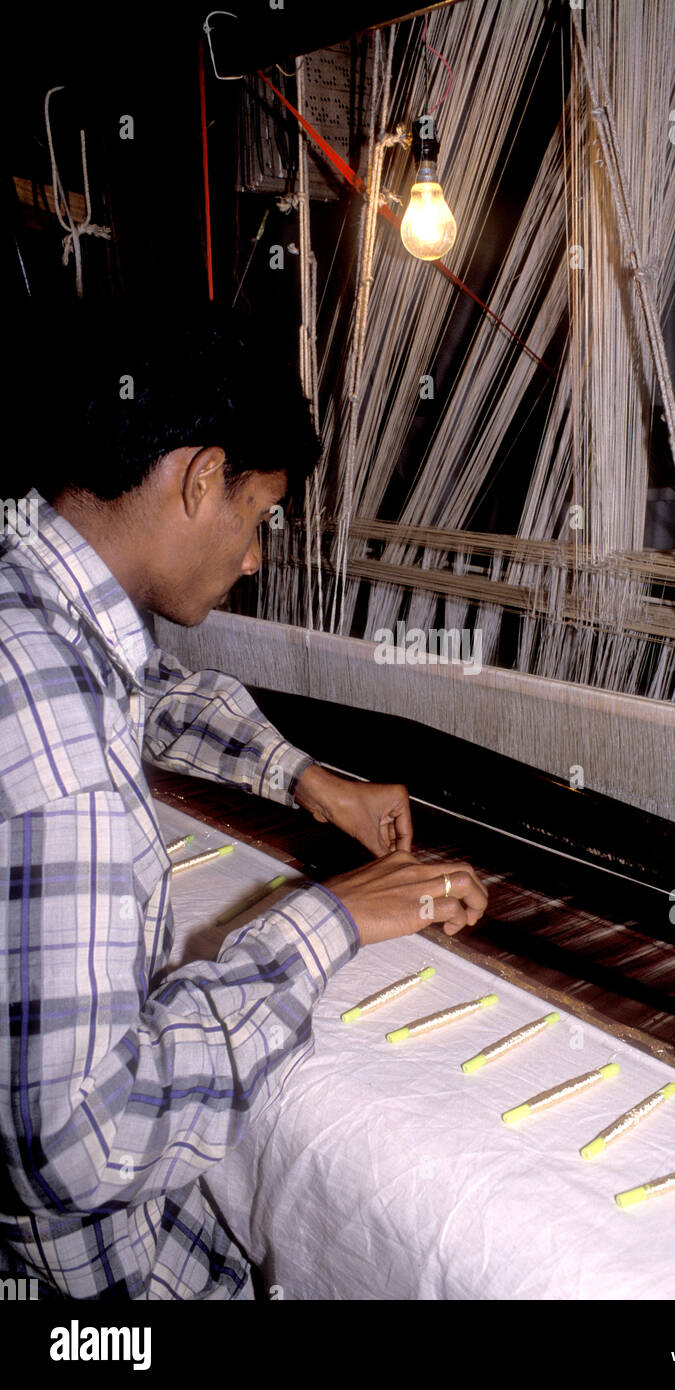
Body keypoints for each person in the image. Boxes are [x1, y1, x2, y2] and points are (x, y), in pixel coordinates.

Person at [0, 312, 487, 1299]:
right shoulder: (60, 747)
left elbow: (149, 692)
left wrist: (301, 774)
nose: (256, 556)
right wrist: (329, 920)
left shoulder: (27, 595)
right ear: (197, 478)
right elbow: (79, 1144)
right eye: (258, 512)